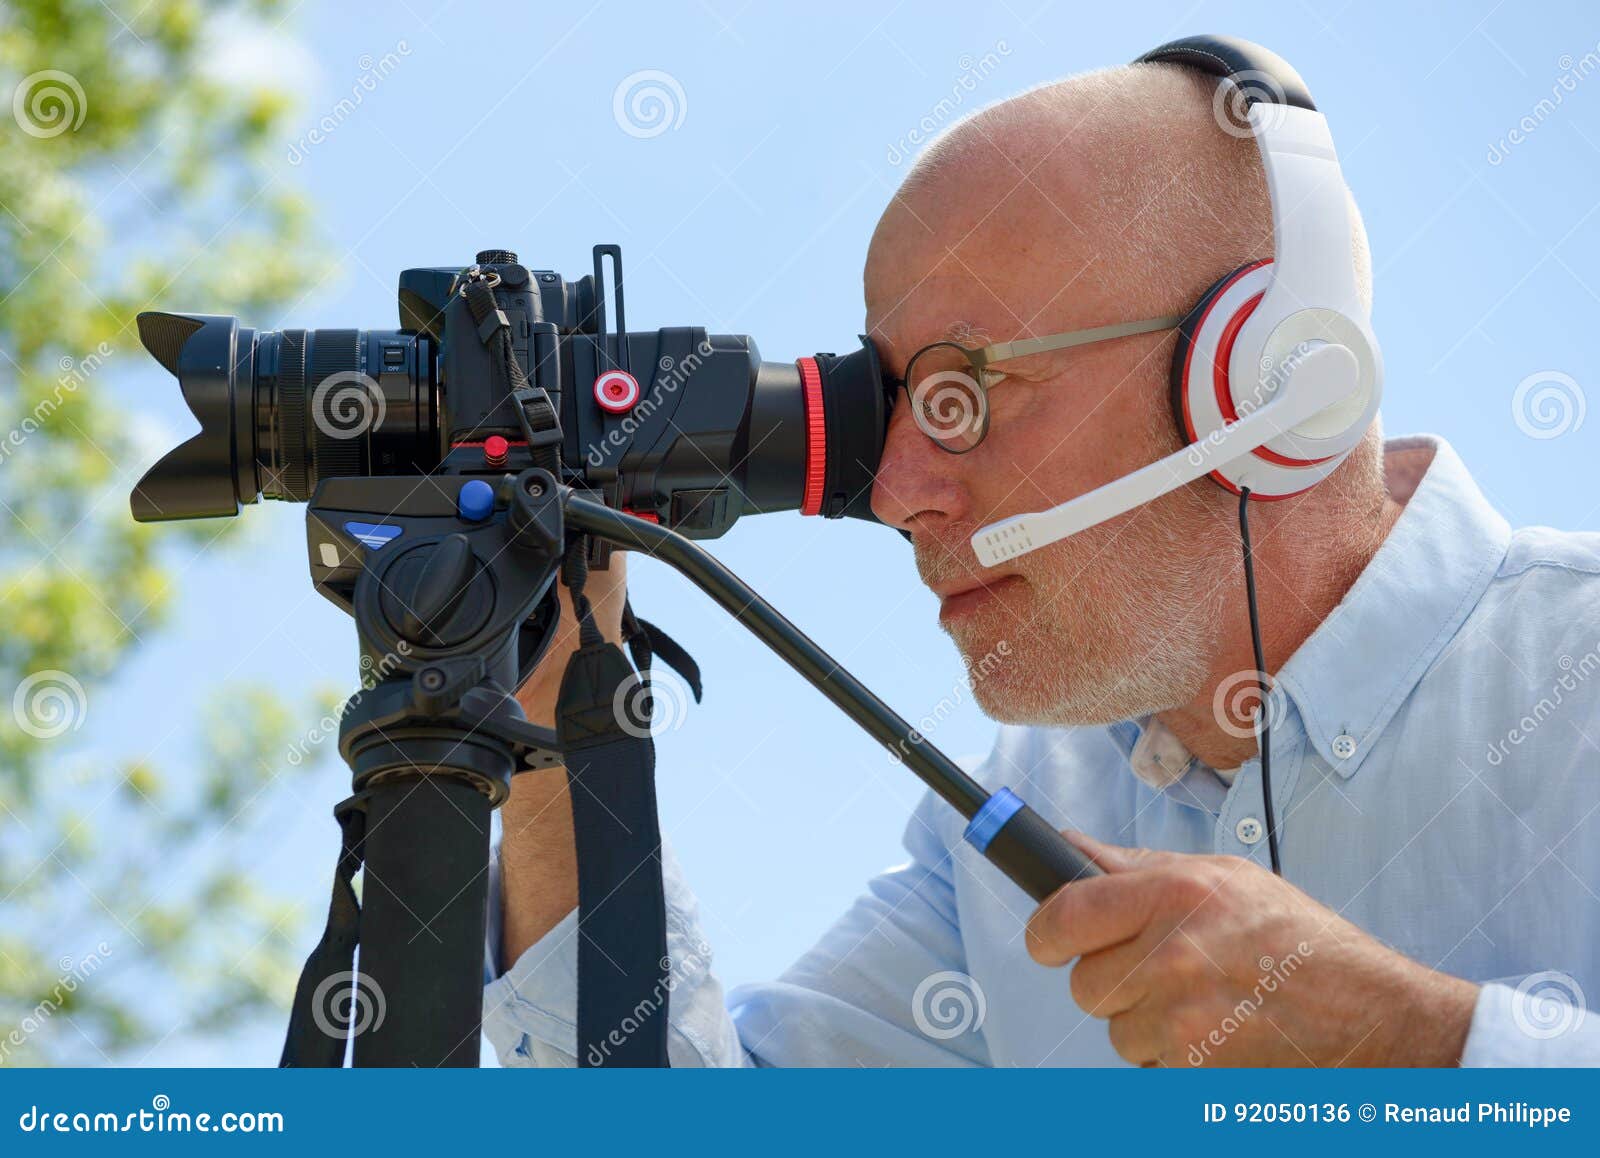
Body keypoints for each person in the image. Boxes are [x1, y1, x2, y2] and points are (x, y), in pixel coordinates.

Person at [486, 52, 1600, 1067]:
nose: (894, 495)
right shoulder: (1012, 823)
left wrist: (1403, 1039)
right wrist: (549, 700)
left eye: (964, 394)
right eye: (892, 408)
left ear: (1265, 381)